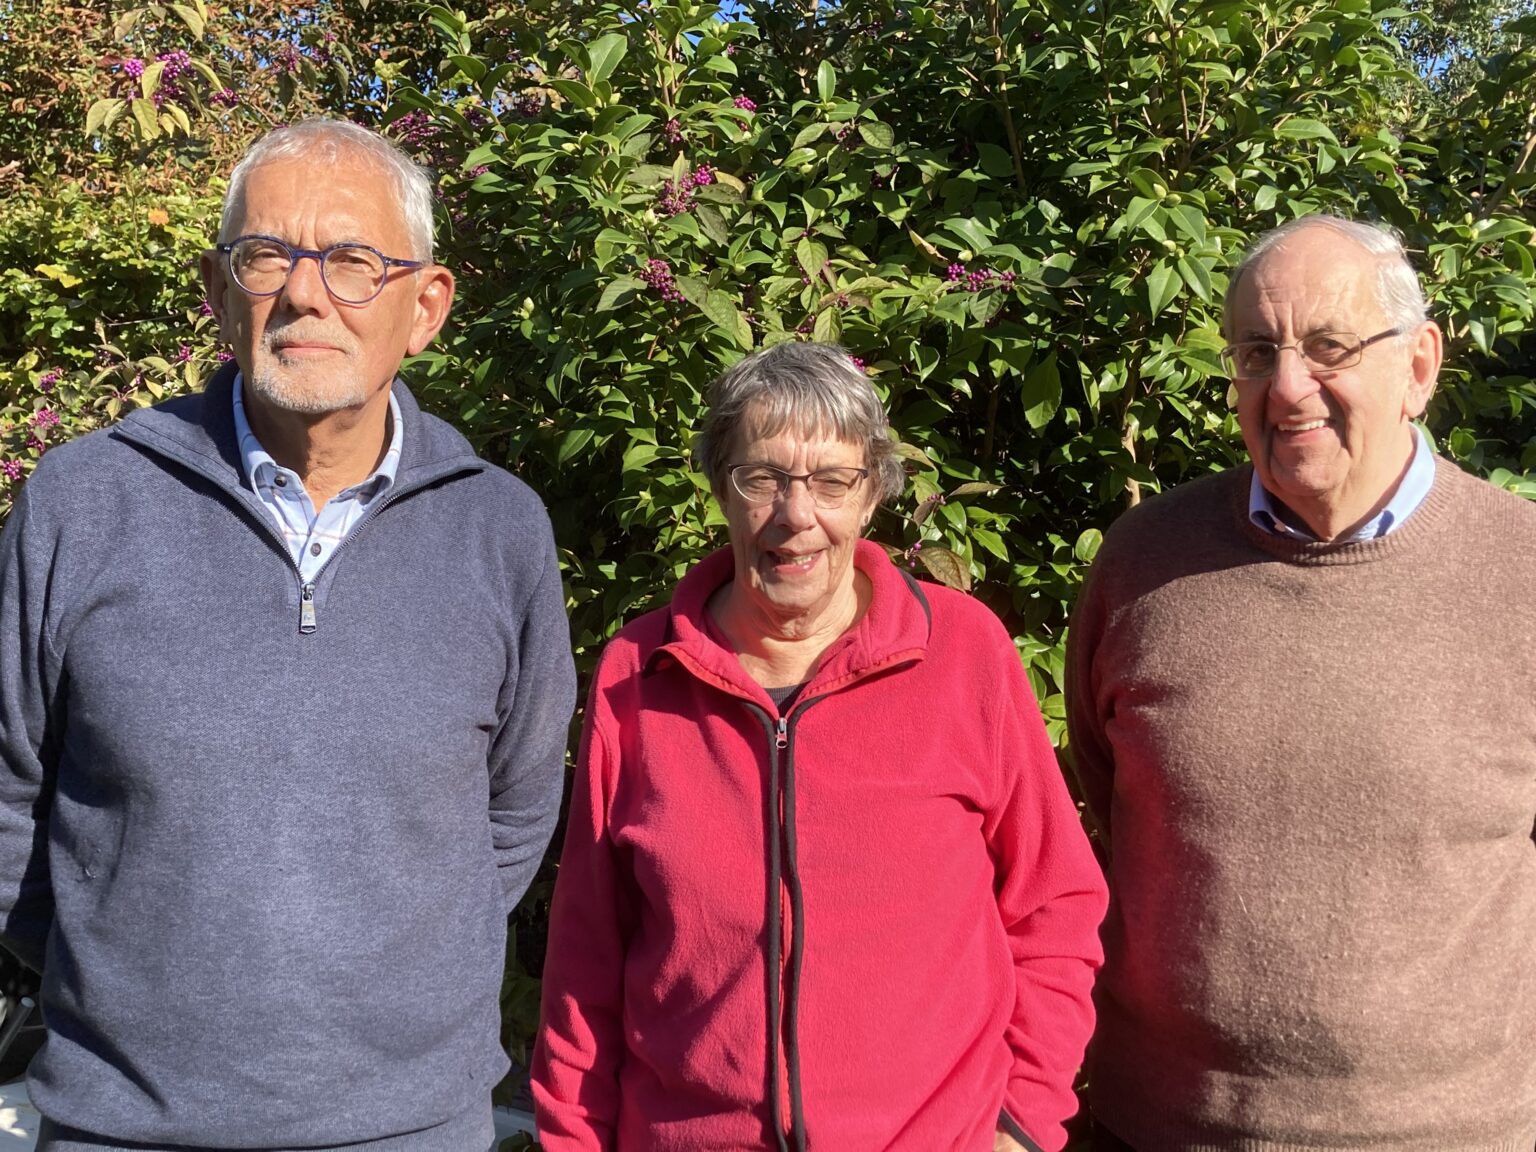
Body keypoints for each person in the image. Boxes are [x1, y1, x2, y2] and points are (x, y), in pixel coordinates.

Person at [0, 119, 577, 1151]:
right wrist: (126, 981)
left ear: (425, 306)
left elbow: (517, 808)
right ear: (220, 290)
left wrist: (396, 984)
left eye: (354, 260)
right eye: (267, 255)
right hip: (123, 1126)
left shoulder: (498, 531)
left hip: (413, 1129)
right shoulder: (83, 505)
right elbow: (6, 788)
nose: (306, 294)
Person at [532, 341, 1107, 1152]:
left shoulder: (963, 652)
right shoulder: (640, 670)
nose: (796, 515)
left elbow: (1056, 904)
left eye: (832, 481)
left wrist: (1021, 1126)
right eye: (762, 477)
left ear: (871, 495)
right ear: (720, 487)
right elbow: (586, 955)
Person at [1066, 214, 1536, 1150]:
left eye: (1329, 347)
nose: (1286, 387)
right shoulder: (1145, 563)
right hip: (1158, 1126)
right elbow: (1105, 798)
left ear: (1419, 366)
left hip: (1452, 1132)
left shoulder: (1520, 573)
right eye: (1256, 353)